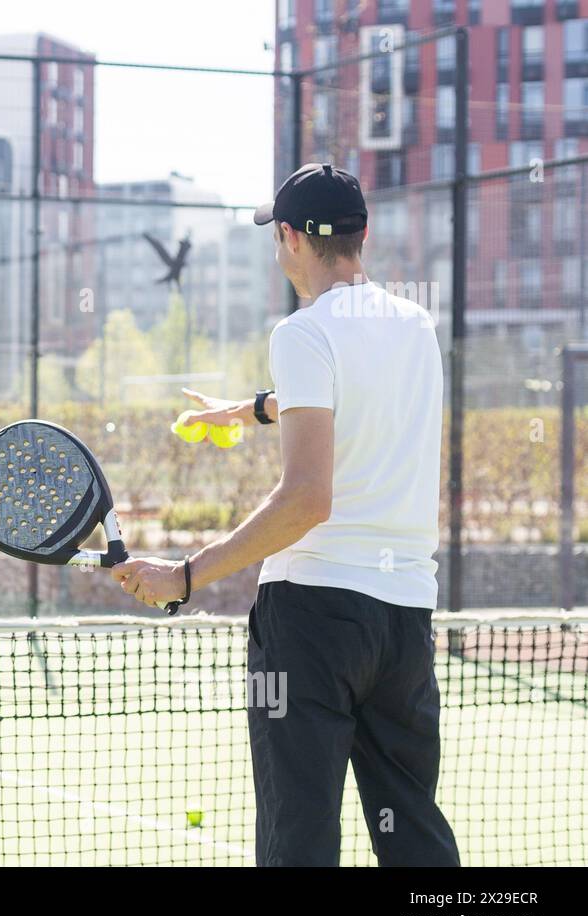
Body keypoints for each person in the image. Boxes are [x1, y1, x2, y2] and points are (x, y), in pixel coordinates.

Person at [112, 163, 460, 867]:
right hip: (405, 621)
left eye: (278, 236)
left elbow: (307, 501)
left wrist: (185, 575)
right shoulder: (418, 326)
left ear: (296, 239)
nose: (277, 249)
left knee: (297, 836)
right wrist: (258, 407)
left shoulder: (301, 332)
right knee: (413, 832)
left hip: (310, 624)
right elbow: (362, 395)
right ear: (360, 236)